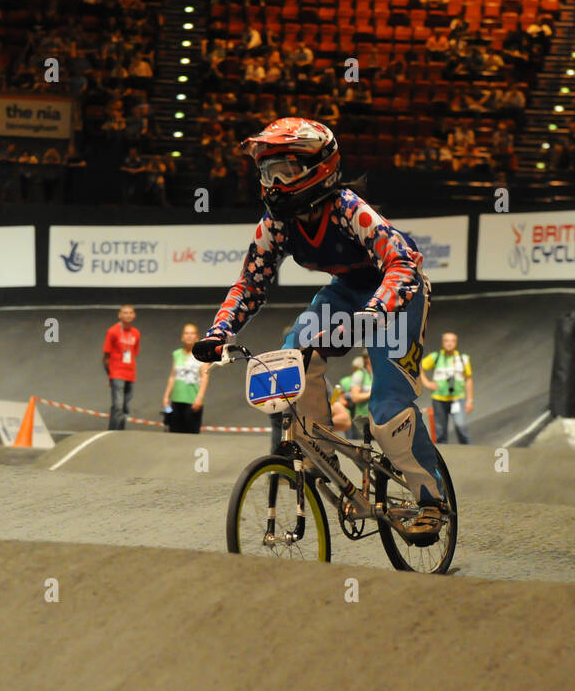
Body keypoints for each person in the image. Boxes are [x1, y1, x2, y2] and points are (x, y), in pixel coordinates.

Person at [191, 117, 446, 542]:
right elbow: (251, 283)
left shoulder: (349, 209)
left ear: (318, 168)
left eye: (284, 171)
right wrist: (220, 333)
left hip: (398, 295)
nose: (272, 183)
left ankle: (430, 499)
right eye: (267, 172)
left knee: (387, 410)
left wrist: (376, 311)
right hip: (348, 292)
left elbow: (403, 262)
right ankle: (320, 458)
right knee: (293, 360)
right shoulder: (276, 224)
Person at [421, 333, 474, 444]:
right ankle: (443, 455)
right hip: (439, 399)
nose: (449, 343)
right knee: (440, 430)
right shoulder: (435, 357)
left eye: (452, 341)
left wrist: (469, 400)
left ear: (456, 342)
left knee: (461, 425)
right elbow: (419, 367)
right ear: (442, 342)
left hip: (457, 399)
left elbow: (468, 379)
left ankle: (469, 450)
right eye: (446, 340)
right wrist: (427, 383)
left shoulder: (463, 359)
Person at [162, 323, 210, 434]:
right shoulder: (177, 354)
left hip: (192, 402)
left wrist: (200, 397)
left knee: (191, 434)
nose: (189, 336)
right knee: (174, 433)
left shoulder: (203, 355)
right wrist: (166, 397)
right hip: (176, 400)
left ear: (197, 337)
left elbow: (205, 377)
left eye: (192, 333)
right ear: (182, 337)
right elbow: (173, 376)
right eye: (186, 333)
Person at [103, 304, 140, 430]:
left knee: (124, 407)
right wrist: (111, 375)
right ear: (119, 315)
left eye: (130, 313)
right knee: (118, 405)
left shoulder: (136, 333)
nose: (128, 315)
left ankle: (118, 431)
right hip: (117, 373)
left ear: (134, 315)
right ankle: (114, 432)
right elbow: (105, 356)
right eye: (125, 312)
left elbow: (134, 353)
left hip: (130, 374)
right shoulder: (112, 331)